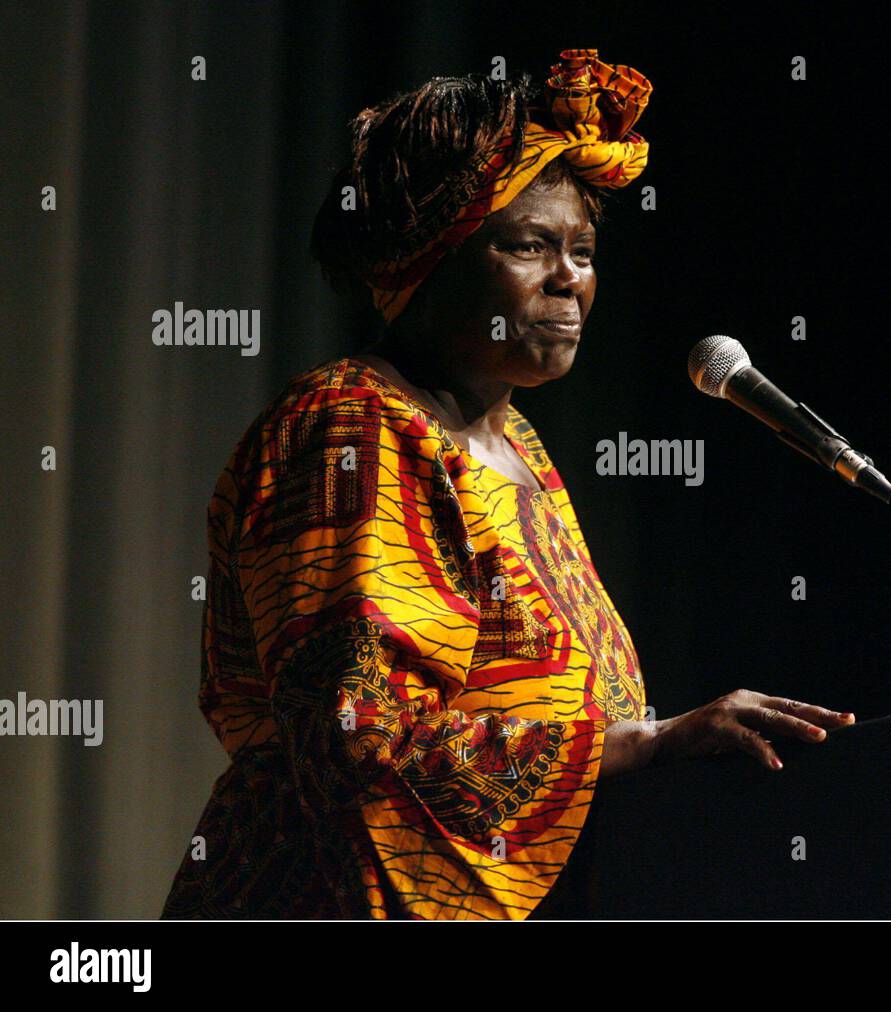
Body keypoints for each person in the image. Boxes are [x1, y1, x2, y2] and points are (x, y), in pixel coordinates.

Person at [162, 48, 853, 920]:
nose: (570, 278)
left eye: (583, 249)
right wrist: (636, 749)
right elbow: (357, 738)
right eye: (528, 245)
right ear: (430, 256)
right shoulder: (355, 427)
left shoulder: (512, 441)